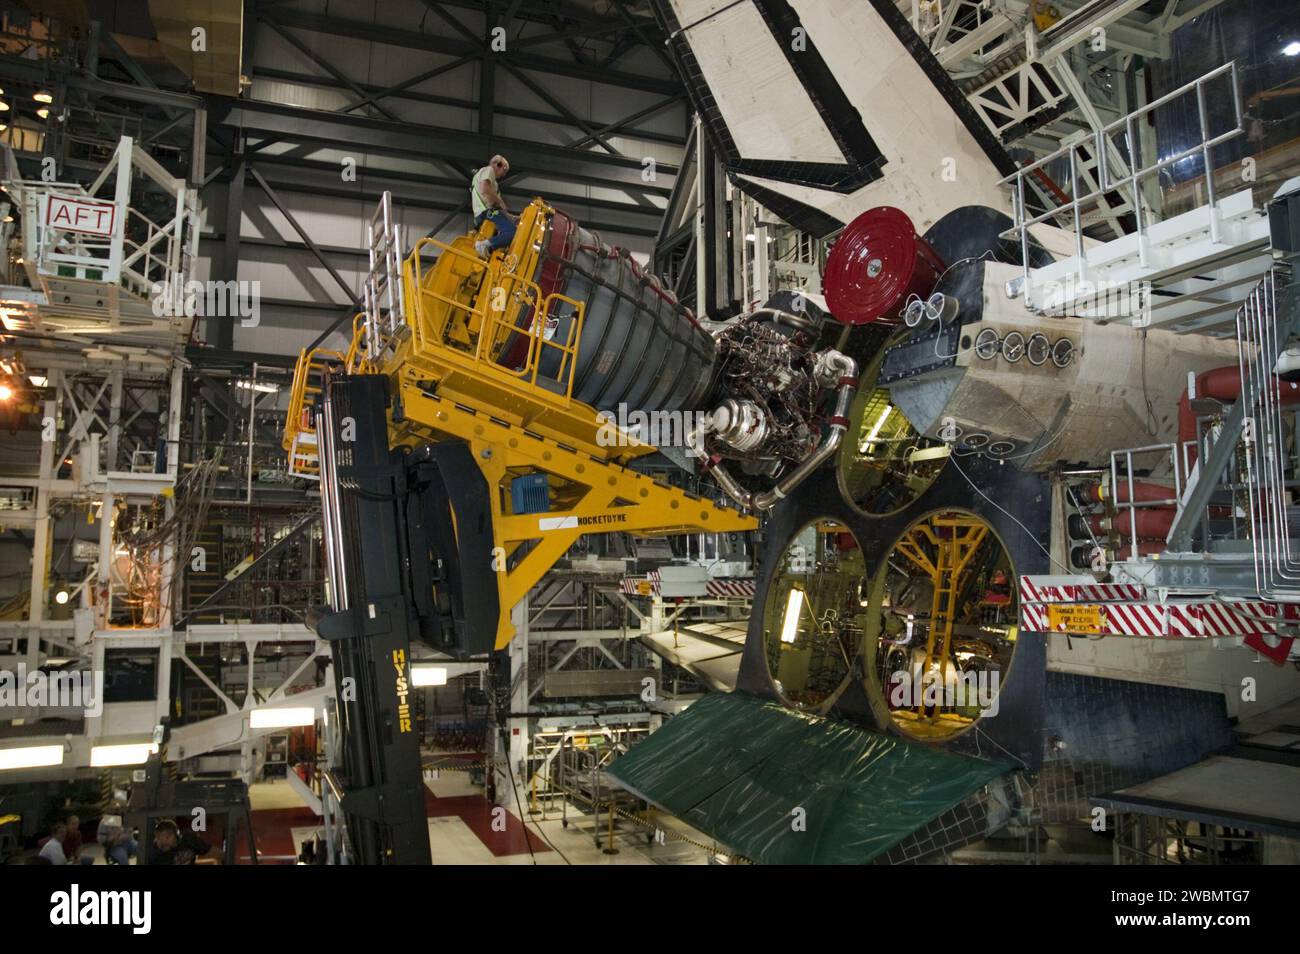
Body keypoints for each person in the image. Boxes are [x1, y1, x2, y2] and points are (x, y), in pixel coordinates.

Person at [471, 154, 517, 258]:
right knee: (512, 232)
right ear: (498, 165)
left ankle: (487, 247)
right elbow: (484, 189)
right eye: (504, 171)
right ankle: (483, 245)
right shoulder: (489, 170)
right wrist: (500, 201)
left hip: (484, 215)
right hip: (486, 213)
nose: (503, 175)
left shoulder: (493, 184)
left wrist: (512, 217)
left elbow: (497, 207)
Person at [147, 818, 217, 865]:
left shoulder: (189, 840)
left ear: (176, 834)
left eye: (168, 836)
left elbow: (216, 853)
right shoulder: (152, 855)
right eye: (159, 837)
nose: (165, 841)